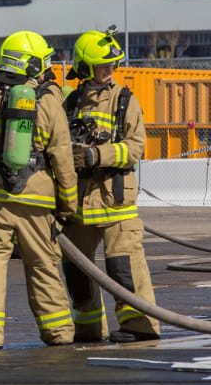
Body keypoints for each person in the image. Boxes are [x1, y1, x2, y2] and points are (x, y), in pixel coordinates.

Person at [0, 31, 78, 351]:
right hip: (37, 198)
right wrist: (67, 204)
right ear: (34, 64)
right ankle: (59, 332)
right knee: (43, 264)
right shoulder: (49, 99)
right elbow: (62, 154)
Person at [61, 27, 160, 343]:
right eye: (104, 66)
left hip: (115, 202)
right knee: (78, 272)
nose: (110, 71)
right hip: (78, 205)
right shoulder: (71, 101)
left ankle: (140, 326)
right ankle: (89, 328)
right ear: (86, 67)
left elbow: (135, 147)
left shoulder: (124, 100)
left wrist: (94, 154)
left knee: (124, 268)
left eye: (112, 65)